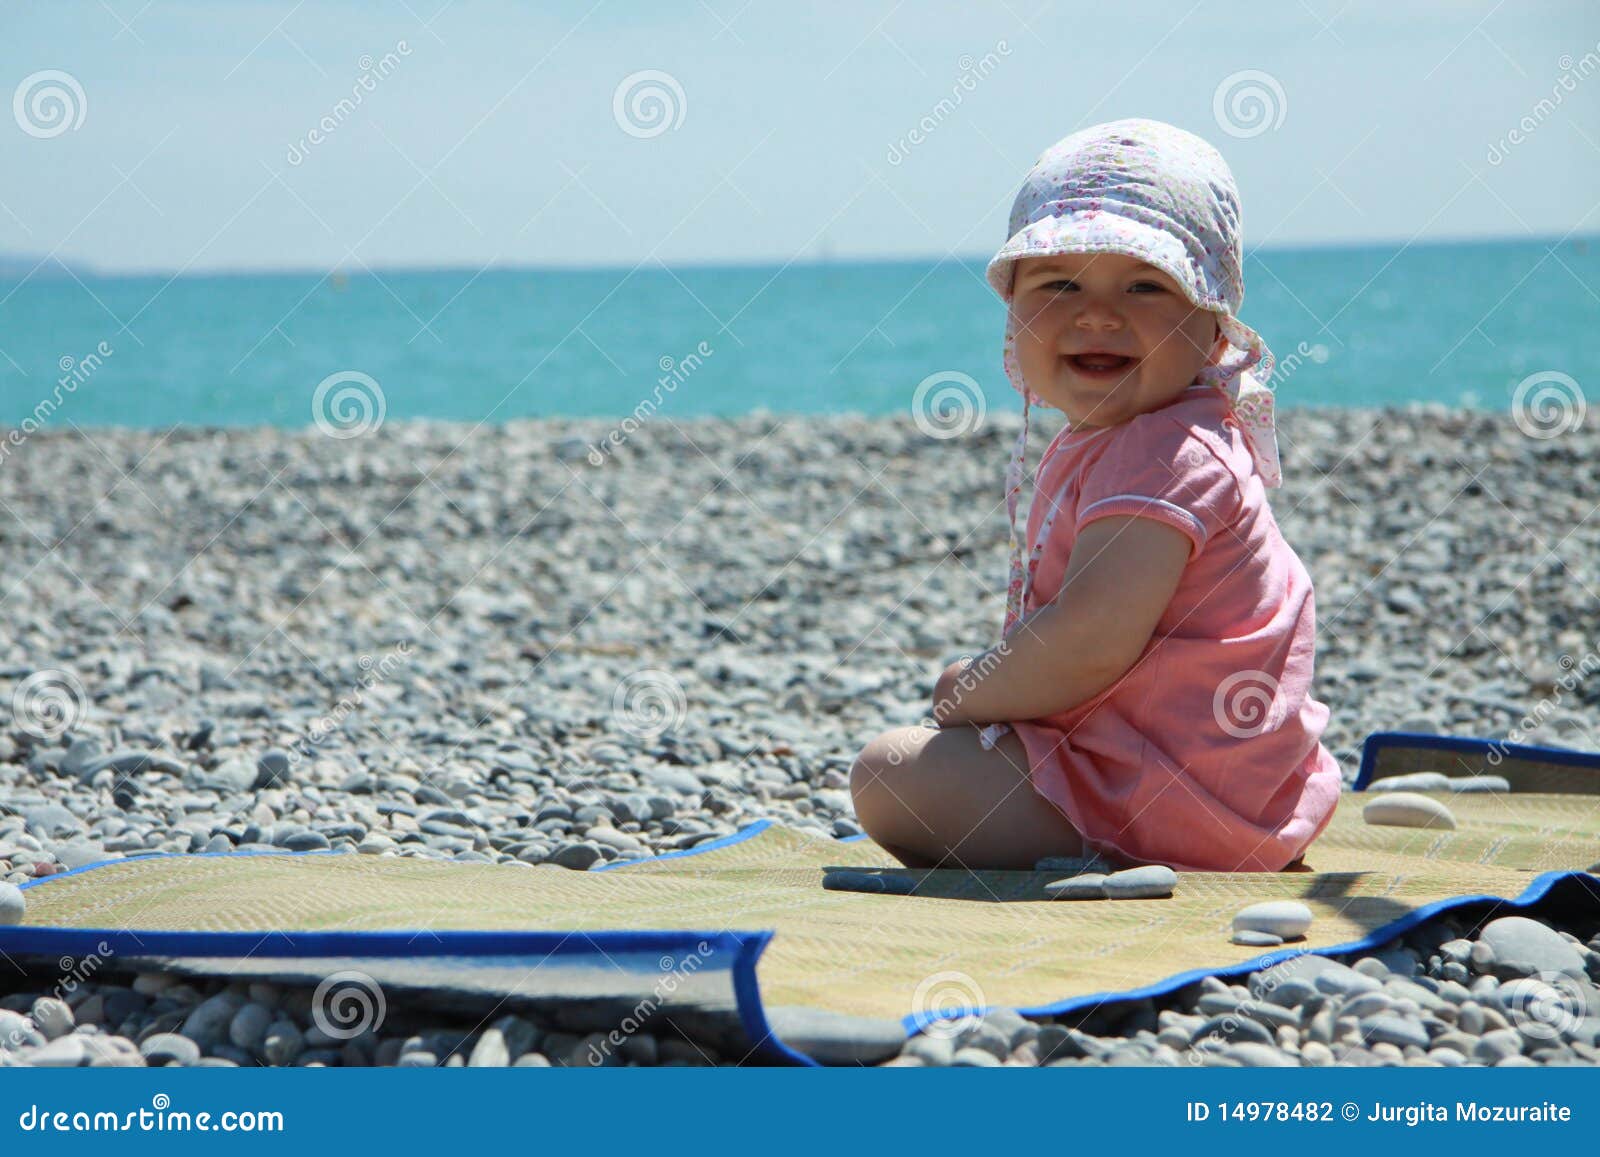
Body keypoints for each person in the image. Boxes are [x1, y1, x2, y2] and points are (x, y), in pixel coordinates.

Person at [849, 118, 1341, 873]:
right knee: (931, 763)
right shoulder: (1148, 436)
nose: (1098, 313)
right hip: (1215, 775)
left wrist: (971, 688)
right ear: (1014, 313)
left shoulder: (1161, 455)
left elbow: (1090, 640)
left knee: (890, 776)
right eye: (1060, 284)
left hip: (1178, 794)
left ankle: (1109, 839)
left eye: (1145, 285)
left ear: (1213, 330)